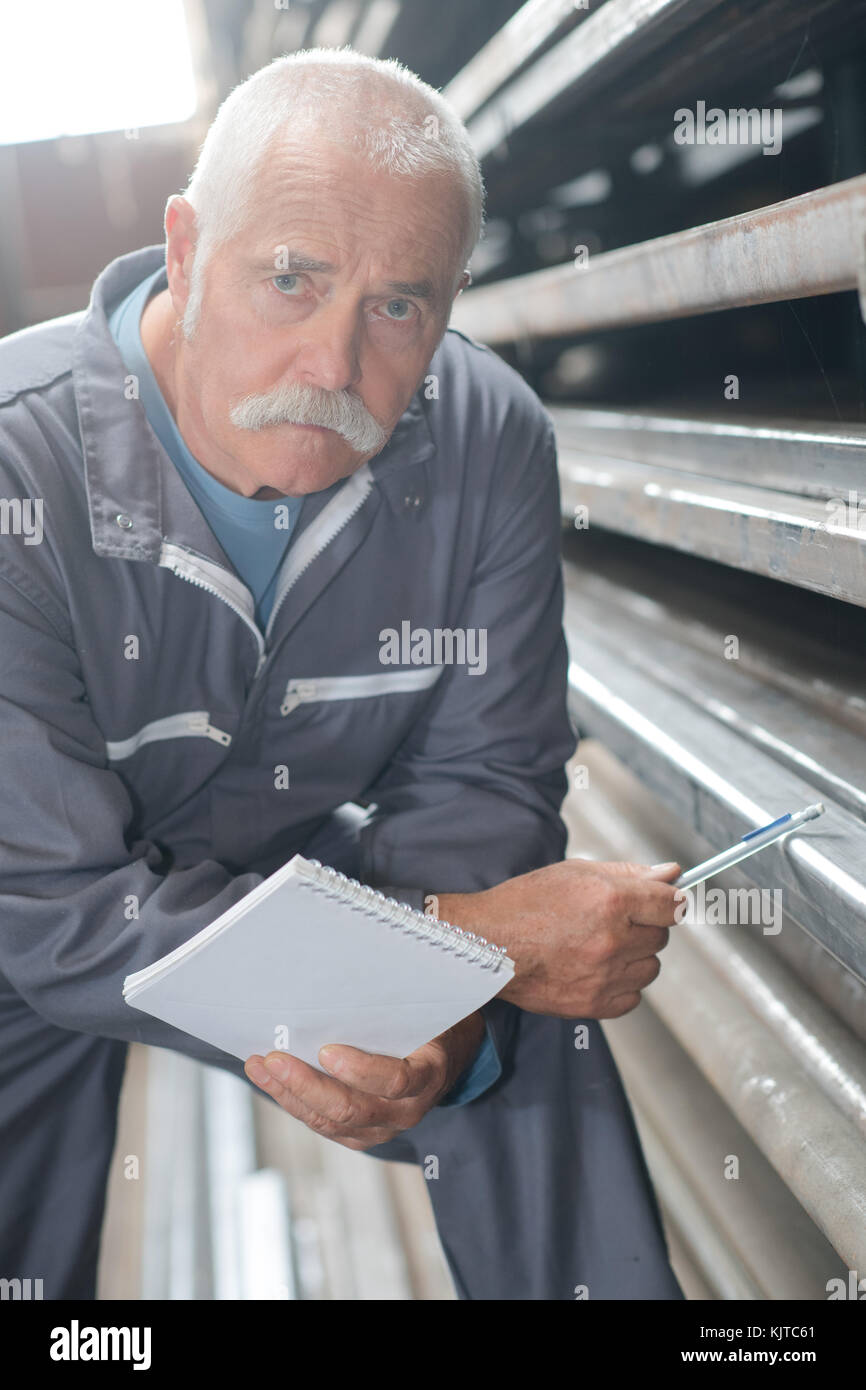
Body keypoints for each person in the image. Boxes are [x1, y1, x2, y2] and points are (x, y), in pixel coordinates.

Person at [0, 47, 684, 1300]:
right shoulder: (18, 468)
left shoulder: (484, 438)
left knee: (536, 1007)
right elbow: (48, 911)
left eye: (396, 306)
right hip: (33, 912)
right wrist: (456, 942)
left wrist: (444, 1016)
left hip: (302, 861)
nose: (331, 363)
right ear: (187, 248)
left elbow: (484, 777)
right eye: (291, 279)